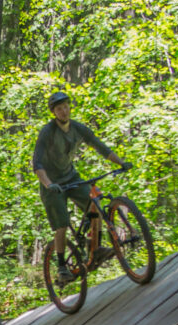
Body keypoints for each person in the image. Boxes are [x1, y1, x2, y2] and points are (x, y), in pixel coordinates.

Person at [33, 91, 130, 282]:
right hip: (52, 185)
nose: (64, 111)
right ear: (54, 112)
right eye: (59, 108)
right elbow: (37, 164)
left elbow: (100, 147)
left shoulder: (77, 128)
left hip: (71, 177)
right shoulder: (48, 132)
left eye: (66, 106)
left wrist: (121, 163)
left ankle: (96, 248)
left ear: (70, 107)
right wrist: (49, 184)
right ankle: (61, 267)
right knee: (61, 225)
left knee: (96, 205)